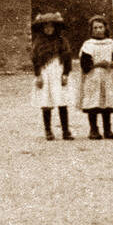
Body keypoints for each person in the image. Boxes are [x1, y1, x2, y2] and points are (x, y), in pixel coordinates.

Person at [78, 15, 113, 140]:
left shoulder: (111, 44)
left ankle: (107, 130)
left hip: (107, 76)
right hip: (93, 77)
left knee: (106, 103)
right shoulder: (88, 45)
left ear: (105, 28)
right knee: (94, 102)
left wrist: (112, 63)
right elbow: (84, 65)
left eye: (101, 27)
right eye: (95, 28)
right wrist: (97, 64)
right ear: (91, 30)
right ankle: (93, 130)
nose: (98, 30)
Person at [31, 12, 73, 140]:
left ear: (56, 28)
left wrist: (65, 74)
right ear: (42, 29)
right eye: (46, 27)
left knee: (62, 100)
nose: (48, 29)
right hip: (46, 72)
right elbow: (35, 60)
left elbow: (67, 58)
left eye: (51, 26)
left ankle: (65, 130)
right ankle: (48, 130)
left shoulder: (62, 41)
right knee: (46, 101)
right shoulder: (38, 43)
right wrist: (38, 76)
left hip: (58, 71)